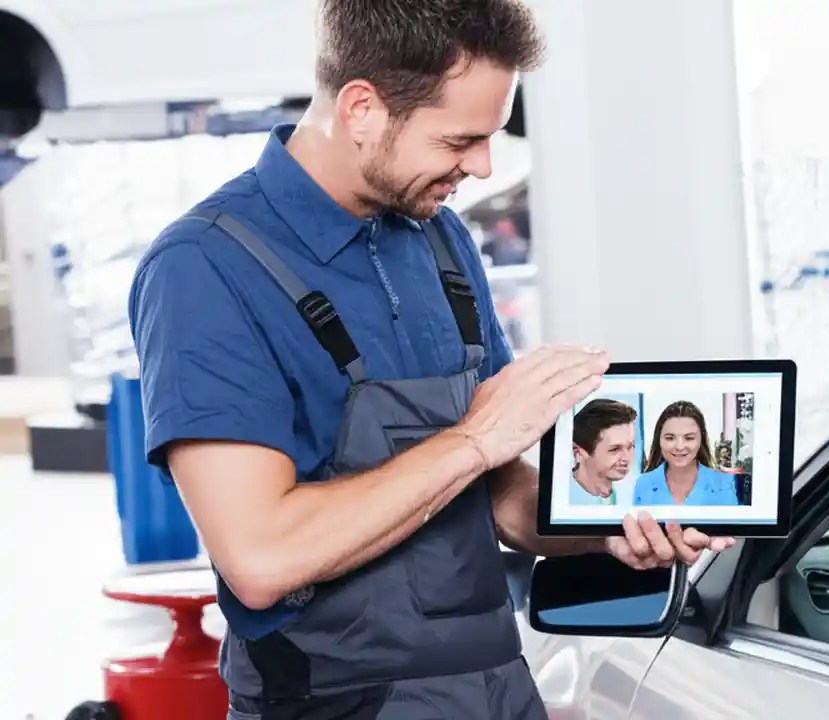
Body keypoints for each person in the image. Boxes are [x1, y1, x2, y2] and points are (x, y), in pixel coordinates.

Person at [126, 2, 733, 717]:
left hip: (494, 684)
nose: (481, 166)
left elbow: (499, 497)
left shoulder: (439, 239)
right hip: (336, 703)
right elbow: (260, 557)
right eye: (459, 140)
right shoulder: (204, 266)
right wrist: (474, 438)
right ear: (361, 108)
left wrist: (603, 525)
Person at [633, 401, 741, 507]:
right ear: (659, 440)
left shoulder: (724, 485)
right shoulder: (643, 485)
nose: (679, 447)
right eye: (670, 438)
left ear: (701, 440)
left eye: (689, 438)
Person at [569, 398, 637, 506]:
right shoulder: (561, 499)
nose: (626, 458)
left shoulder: (633, 495)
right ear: (579, 453)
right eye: (615, 449)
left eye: (630, 447)